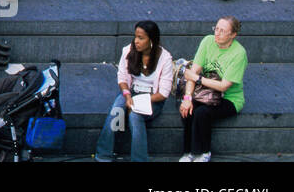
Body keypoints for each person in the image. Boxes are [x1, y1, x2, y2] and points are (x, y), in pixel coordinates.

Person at [95, 20, 174, 162]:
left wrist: (138, 101)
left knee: (134, 116)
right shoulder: (128, 50)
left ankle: (139, 159)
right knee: (117, 111)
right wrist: (127, 95)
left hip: (153, 98)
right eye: (135, 36)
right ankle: (103, 156)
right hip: (130, 92)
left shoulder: (165, 58)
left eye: (141, 38)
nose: (136, 41)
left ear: (152, 40)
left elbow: (163, 93)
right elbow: (122, 77)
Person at [179, 16, 247, 162]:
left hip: (229, 98)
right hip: (206, 92)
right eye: (216, 29)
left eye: (222, 31)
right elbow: (193, 72)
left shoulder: (239, 53)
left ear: (233, 35)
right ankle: (188, 152)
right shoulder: (208, 41)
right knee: (188, 109)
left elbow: (224, 86)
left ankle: (204, 152)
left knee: (202, 113)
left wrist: (198, 79)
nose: (217, 33)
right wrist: (187, 98)